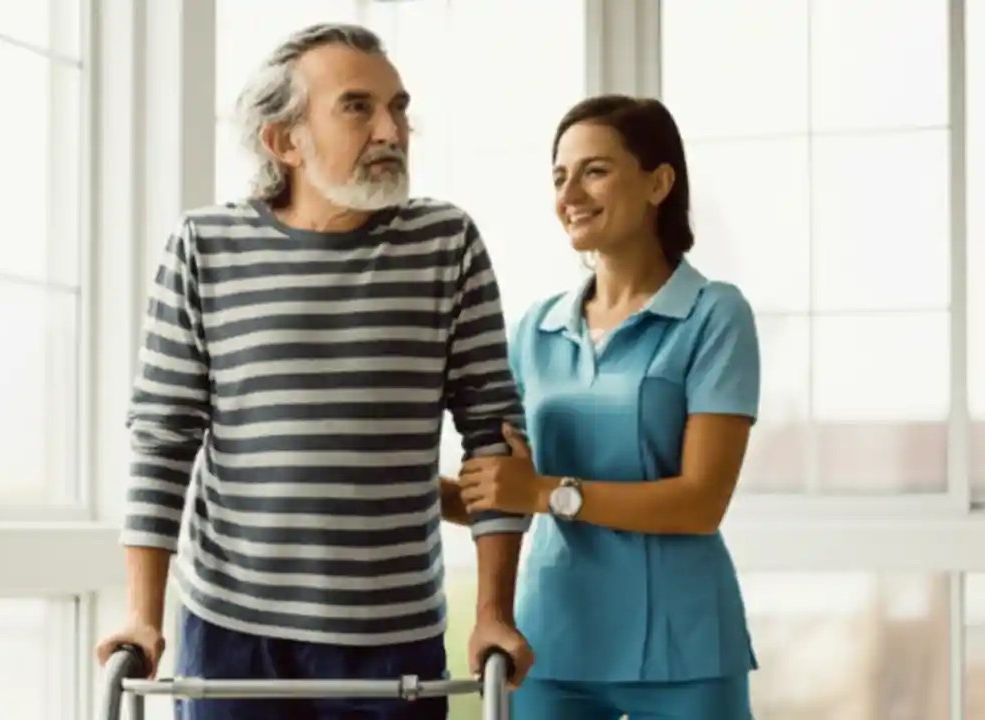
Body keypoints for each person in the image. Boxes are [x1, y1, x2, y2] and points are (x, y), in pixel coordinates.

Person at [95, 23, 534, 720]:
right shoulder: (204, 247)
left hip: (394, 639)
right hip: (232, 633)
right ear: (282, 140)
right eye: (358, 107)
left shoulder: (447, 243)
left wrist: (492, 613)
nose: (391, 128)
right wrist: (143, 617)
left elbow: (494, 437)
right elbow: (162, 439)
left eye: (399, 107)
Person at [442, 95, 761, 719]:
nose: (570, 194)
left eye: (595, 170)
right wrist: (400, 491)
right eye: (559, 176)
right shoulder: (536, 330)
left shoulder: (715, 316)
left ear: (658, 182)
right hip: (551, 644)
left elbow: (701, 502)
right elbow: (505, 490)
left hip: (684, 647)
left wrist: (543, 493)